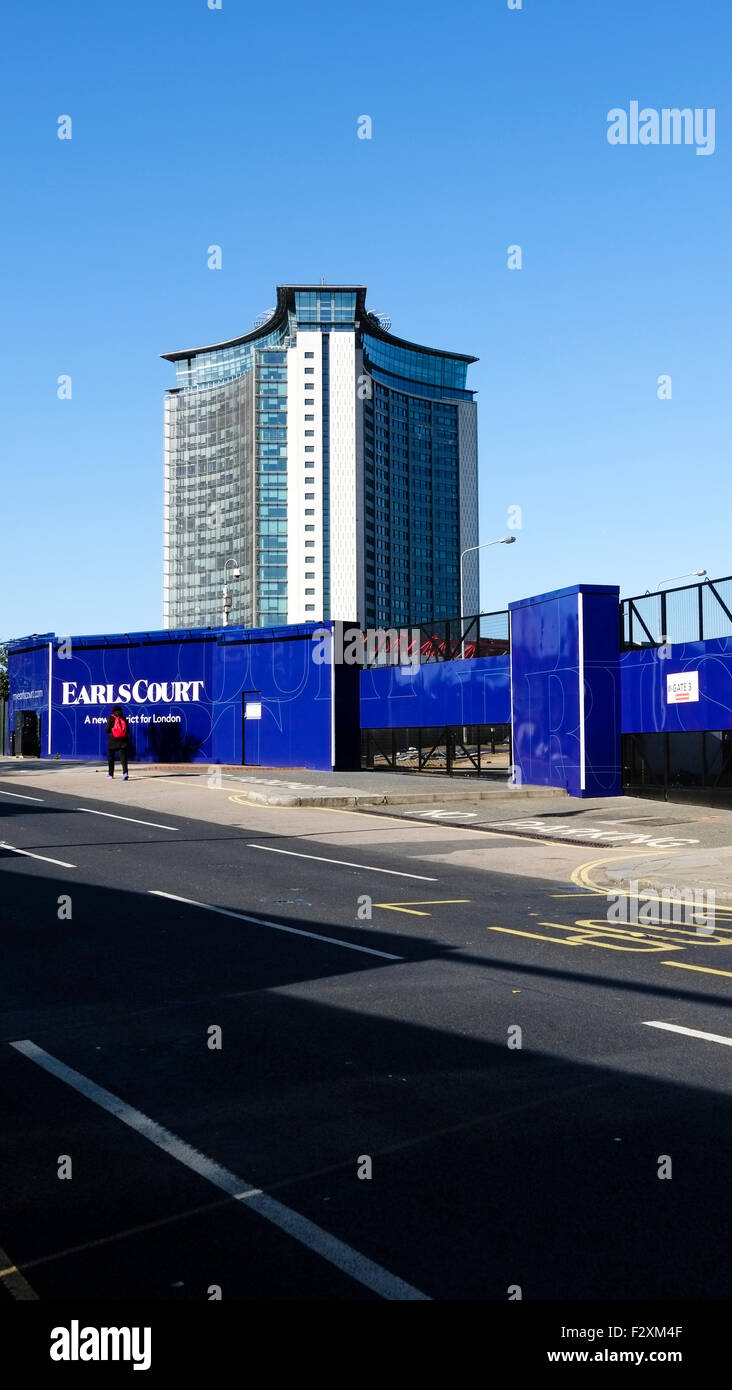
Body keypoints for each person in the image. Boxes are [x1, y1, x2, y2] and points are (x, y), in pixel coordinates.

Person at [105, 704, 130, 779]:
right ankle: (125, 773)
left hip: (112, 741)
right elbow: (128, 730)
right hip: (122, 741)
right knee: (123, 758)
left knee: (111, 758)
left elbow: (106, 730)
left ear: (113, 711)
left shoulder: (110, 718)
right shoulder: (124, 718)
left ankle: (110, 775)